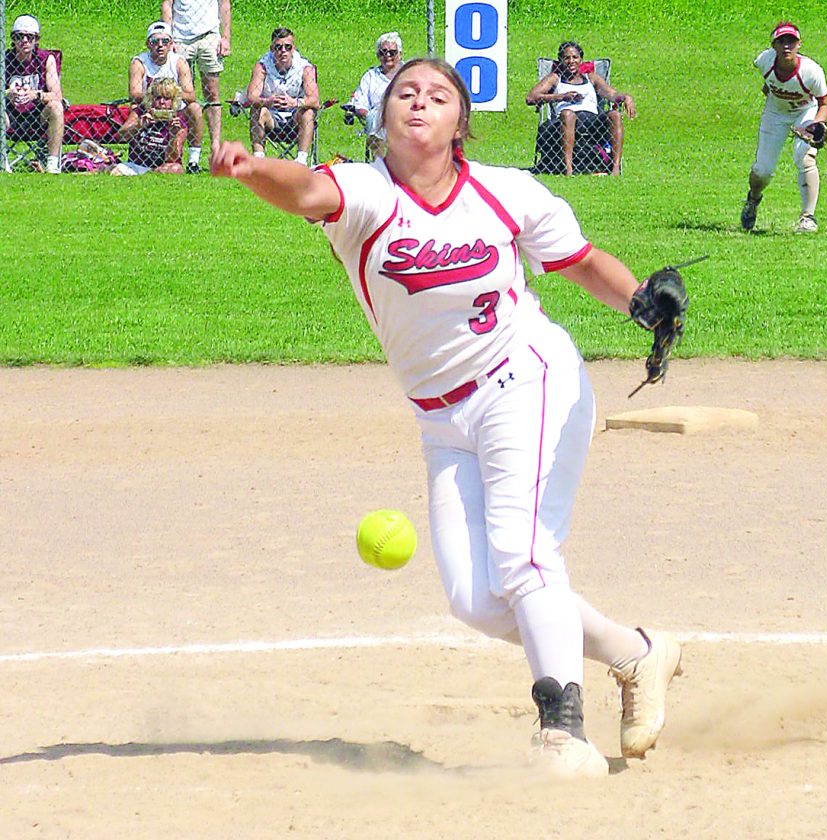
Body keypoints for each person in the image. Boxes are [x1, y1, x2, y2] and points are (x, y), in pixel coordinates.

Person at [212, 57, 682, 779]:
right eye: (406, 93)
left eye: (438, 95)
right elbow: (306, 188)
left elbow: (581, 263)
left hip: (527, 378)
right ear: (385, 116)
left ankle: (562, 727)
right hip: (441, 418)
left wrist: (640, 301)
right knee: (476, 599)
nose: (420, 103)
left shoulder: (506, 193)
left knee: (525, 558)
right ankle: (636, 654)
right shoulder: (367, 196)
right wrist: (251, 170)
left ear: (461, 120)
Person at [740, 22, 827, 234]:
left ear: (799, 44)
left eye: (791, 41)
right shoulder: (765, 61)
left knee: (805, 157)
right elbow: (767, 85)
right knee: (762, 170)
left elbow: (824, 103)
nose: (786, 46)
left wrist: (816, 124)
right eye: (781, 41)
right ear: (774, 46)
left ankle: (808, 217)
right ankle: (753, 200)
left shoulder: (811, 71)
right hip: (775, 113)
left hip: (805, 111)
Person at [525, 40, 635, 176]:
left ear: (581, 60)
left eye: (575, 57)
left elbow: (611, 94)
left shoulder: (591, 78)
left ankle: (615, 168)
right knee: (568, 114)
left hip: (592, 123)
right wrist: (562, 97)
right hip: (564, 123)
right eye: (566, 58)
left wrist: (626, 97)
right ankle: (568, 169)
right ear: (560, 61)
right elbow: (531, 97)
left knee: (615, 115)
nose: (571, 61)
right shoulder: (555, 78)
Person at [129, 21, 203, 174]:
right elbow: (134, 94)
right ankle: (138, 158)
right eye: (155, 41)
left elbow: (191, 94)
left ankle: (193, 160)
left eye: (165, 41)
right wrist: (156, 96)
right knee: (134, 109)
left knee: (195, 108)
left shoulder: (179, 62)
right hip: (149, 107)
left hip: (175, 110)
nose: (160, 45)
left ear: (171, 44)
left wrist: (169, 94)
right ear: (148, 44)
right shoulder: (139, 62)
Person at [160, 0, 231, 157]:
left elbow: (225, 4)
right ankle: (180, 145)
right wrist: (168, 37)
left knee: (212, 93)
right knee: (182, 95)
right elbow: (167, 5)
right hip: (180, 38)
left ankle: (215, 147)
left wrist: (225, 37)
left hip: (209, 36)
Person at [246, 27, 319, 166]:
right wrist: (268, 101)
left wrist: (294, 102)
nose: (283, 51)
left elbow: (315, 101)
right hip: (271, 117)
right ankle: (258, 159)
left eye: (287, 47)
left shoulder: (305, 67)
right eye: (278, 47)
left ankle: (301, 161)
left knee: (308, 112)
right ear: (271, 48)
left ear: (293, 48)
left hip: (295, 118)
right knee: (257, 109)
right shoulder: (262, 66)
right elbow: (251, 97)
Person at [3, 14, 64, 173]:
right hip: (9, 116)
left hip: (37, 117)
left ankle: (52, 163)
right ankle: (3, 160)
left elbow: (57, 95)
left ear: (36, 40)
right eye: (19, 36)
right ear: (13, 39)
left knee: (56, 107)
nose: (24, 41)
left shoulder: (46, 59)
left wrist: (35, 95)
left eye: (30, 37)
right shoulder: (4, 60)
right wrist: (7, 93)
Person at [111, 77, 187, 175]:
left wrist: (173, 136)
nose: (162, 102)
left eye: (167, 98)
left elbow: (172, 158)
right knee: (114, 170)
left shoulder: (178, 121)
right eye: (158, 98)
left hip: (161, 167)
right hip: (136, 165)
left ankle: (149, 174)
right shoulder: (140, 112)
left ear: (173, 101)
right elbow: (120, 137)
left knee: (176, 169)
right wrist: (138, 126)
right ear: (151, 98)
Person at [349, 31, 404, 159]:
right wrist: (367, 114)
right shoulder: (370, 76)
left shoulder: (409, 73)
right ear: (378, 55)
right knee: (375, 118)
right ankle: (380, 166)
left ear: (400, 54)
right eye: (383, 52)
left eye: (392, 52)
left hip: (404, 119)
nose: (388, 56)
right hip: (377, 122)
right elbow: (360, 103)